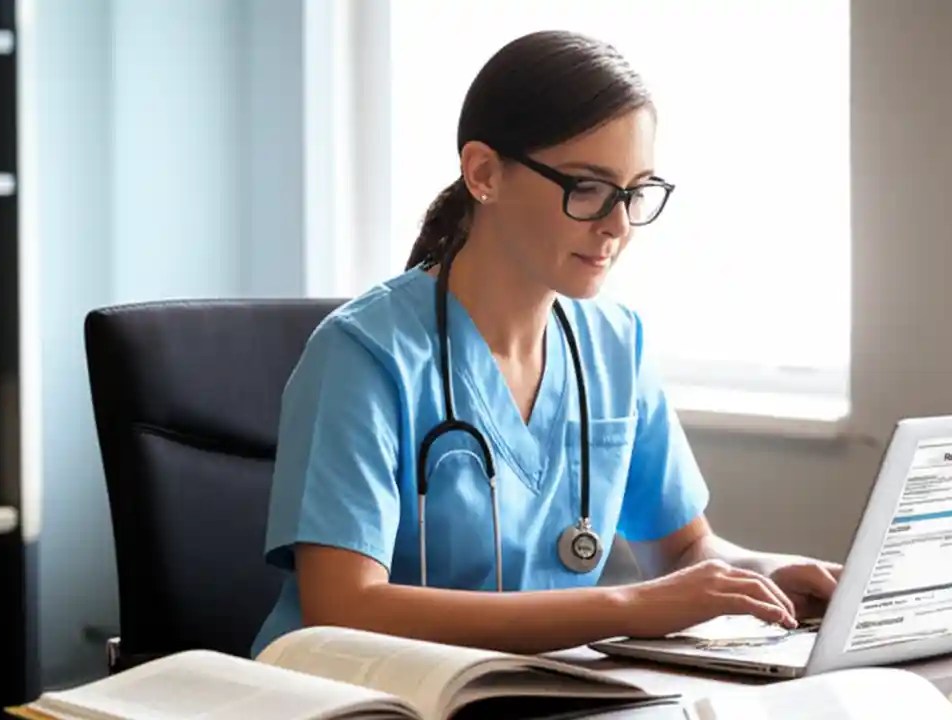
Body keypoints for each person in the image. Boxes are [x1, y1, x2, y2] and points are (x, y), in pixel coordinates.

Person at [251, 29, 841, 659]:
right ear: (483, 173)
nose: (617, 224)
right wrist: (625, 607)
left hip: (538, 690)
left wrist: (759, 573)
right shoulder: (363, 355)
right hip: (357, 693)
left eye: (634, 192)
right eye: (587, 188)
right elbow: (344, 607)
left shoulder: (617, 346)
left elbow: (683, 549)